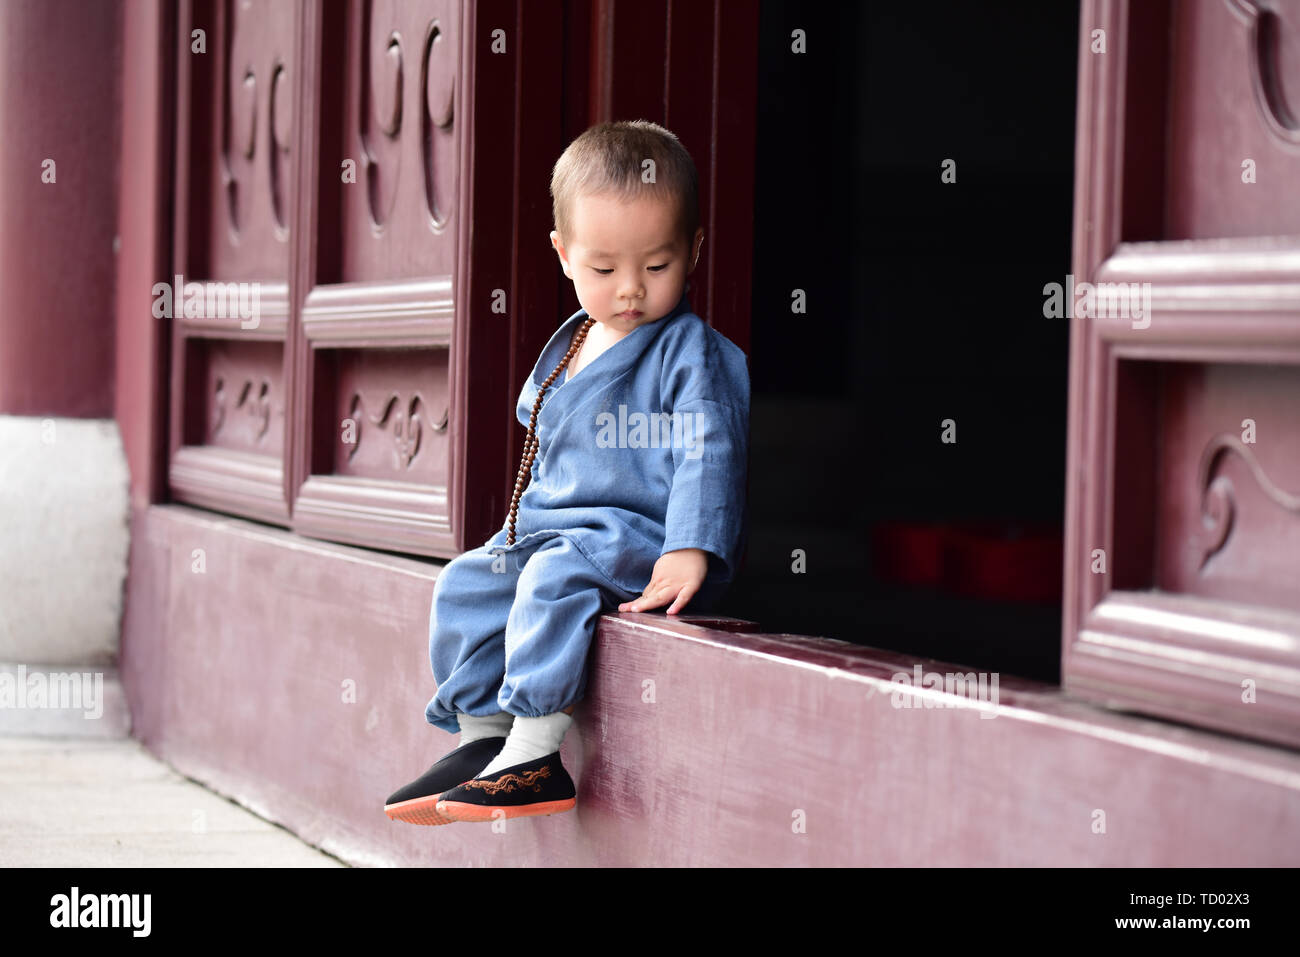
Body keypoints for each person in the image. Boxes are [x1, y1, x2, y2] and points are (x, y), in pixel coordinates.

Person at [384, 120, 750, 825]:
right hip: (555, 533)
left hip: (631, 535)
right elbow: (544, 452)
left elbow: (711, 448)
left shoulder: (688, 352)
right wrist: (509, 539)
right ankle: (480, 736)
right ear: (563, 254)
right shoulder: (571, 345)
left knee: (553, 579)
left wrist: (689, 544)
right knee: (466, 583)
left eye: (658, 265)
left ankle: (535, 750)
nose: (632, 290)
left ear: (694, 250)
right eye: (605, 269)